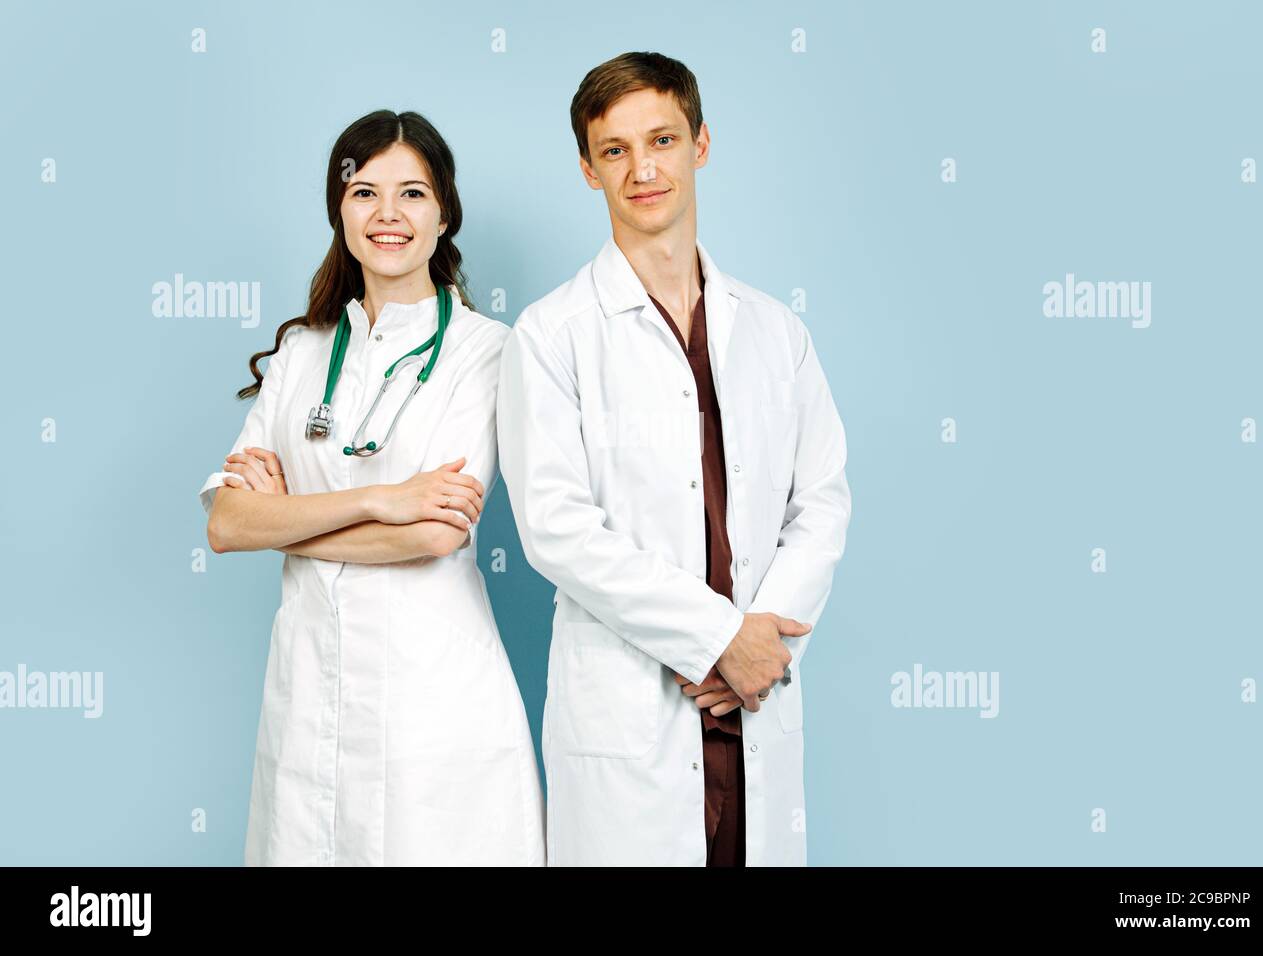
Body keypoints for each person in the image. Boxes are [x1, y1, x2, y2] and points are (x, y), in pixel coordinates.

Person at [496, 52, 851, 866]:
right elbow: (555, 527)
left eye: (661, 138)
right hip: (634, 715)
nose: (642, 167)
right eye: (614, 149)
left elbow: (822, 501)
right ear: (588, 170)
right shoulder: (552, 336)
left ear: (702, 145)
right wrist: (718, 639)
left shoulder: (775, 330)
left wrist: (762, 648)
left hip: (753, 702)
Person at [199, 110, 544, 866]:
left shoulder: (487, 353)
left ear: (444, 212)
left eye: (413, 194)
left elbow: (433, 534)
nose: (388, 215)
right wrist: (378, 498)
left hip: (436, 715)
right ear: (339, 209)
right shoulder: (301, 353)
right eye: (364, 194)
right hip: (307, 706)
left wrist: (283, 519)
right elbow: (225, 522)